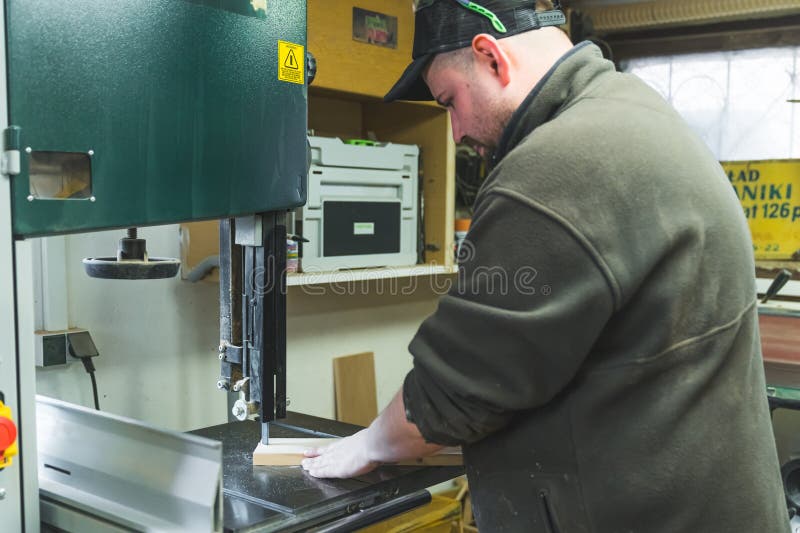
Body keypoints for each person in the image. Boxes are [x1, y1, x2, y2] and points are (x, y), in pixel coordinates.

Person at [302, 1, 790, 531]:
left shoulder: (557, 165)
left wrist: (370, 443)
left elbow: (455, 389)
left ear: (491, 58)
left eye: (450, 102)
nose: (456, 132)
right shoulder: (633, 110)